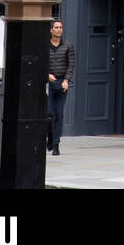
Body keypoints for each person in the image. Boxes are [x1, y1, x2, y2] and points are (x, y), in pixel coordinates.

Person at [47, 19, 74, 156]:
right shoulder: (44, 46)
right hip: (49, 84)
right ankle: (50, 136)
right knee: (49, 114)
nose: (58, 30)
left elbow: (71, 65)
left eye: (60, 27)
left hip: (62, 83)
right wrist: (46, 75)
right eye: (56, 27)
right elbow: (40, 62)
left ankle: (56, 144)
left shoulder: (68, 46)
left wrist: (66, 80)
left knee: (59, 114)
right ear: (51, 30)